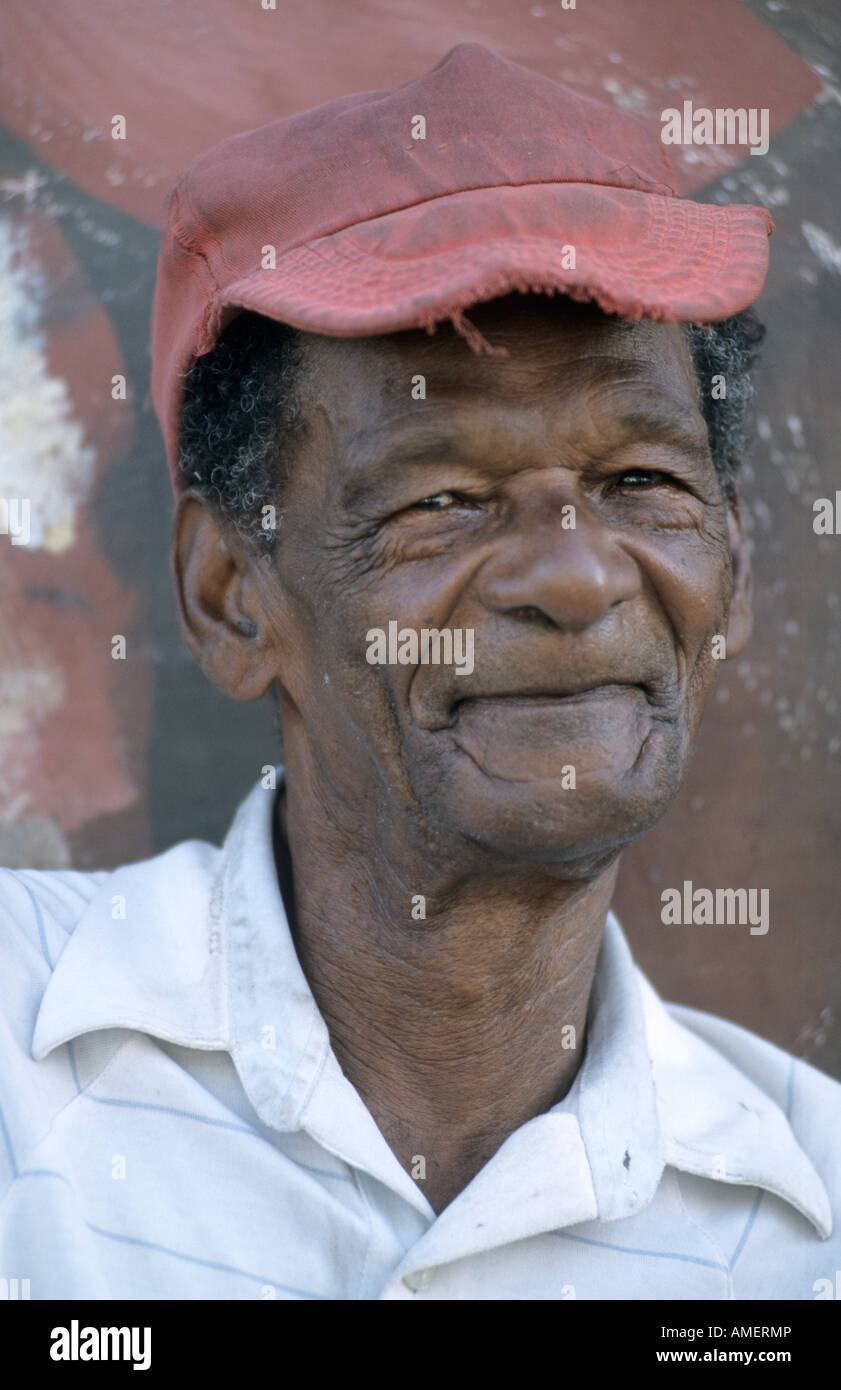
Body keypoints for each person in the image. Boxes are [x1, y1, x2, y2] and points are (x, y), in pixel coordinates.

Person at [1, 42, 838, 1301]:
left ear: (727, 562)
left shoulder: (801, 1227)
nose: (574, 576)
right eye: (443, 499)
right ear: (230, 599)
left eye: (641, 485)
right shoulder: (22, 1066)